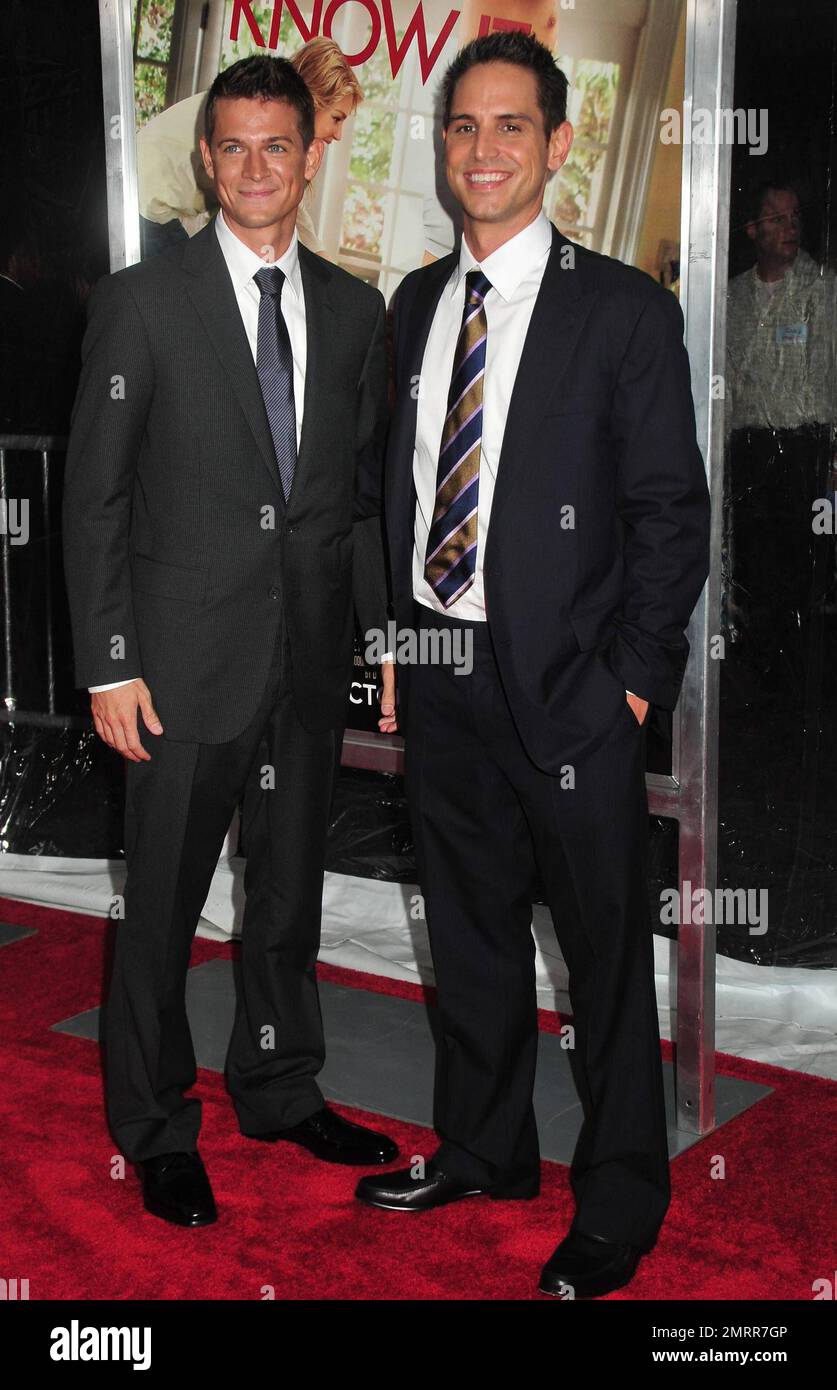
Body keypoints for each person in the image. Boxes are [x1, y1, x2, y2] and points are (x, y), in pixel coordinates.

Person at [356, 32, 710, 1299]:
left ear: (559, 147)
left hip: (576, 695)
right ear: (443, 149)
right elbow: (390, 502)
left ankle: (620, 1198)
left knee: (607, 963)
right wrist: (400, 644)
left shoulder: (623, 310)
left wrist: (629, 682)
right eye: (464, 127)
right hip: (445, 671)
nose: (484, 149)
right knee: (473, 936)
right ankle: (484, 1148)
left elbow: (673, 514)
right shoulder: (412, 305)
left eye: (512, 127)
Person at [62, 54, 397, 1229]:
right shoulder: (141, 302)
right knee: (158, 910)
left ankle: (276, 1083)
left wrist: (384, 635)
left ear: (311, 158)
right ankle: (154, 1127)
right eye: (234, 146)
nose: (256, 168)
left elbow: (356, 503)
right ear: (207, 160)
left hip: (304, 662)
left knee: (287, 899)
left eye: (277, 146)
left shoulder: (357, 310)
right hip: (172, 669)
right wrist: (109, 657)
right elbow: (92, 497)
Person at [725, 182, 837, 697]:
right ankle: (765, 677)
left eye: (796, 219)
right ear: (752, 230)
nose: (790, 229)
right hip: (749, 452)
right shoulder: (731, 296)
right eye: (778, 219)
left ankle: (798, 685)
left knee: (802, 570)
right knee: (754, 566)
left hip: (805, 448)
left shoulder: (822, 289)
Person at [136, 36, 363, 256]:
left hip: (147, 200)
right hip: (144, 205)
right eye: (336, 118)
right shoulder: (261, 116)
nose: (338, 134)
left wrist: (317, 254)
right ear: (316, 99)